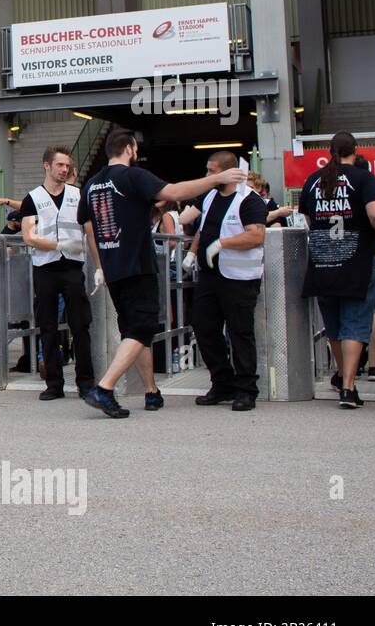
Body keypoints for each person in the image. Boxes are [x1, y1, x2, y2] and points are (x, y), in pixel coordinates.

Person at [79, 129, 246, 418]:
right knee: (142, 329)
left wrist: (100, 265)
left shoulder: (92, 184)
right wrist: (216, 179)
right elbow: (175, 192)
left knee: (134, 332)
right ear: (130, 148)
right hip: (136, 266)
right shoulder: (133, 176)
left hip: (113, 267)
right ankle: (104, 389)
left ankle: (151, 391)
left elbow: (88, 226)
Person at [298, 132, 375, 408]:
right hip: (356, 260)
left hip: (323, 261)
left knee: (334, 326)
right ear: (356, 151)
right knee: (356, 322)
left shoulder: (314, 180)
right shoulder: (362, 178)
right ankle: (348, 386)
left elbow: (309, 219)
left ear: (331, 151)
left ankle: (341, 376)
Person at [182, 151, 268, 411]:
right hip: (210, 276)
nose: (208, 175)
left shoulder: (249, 200)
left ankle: (245, 389)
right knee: (203, 326)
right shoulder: (209, 196)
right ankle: (222, 382)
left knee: (240, 332)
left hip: (239, 279)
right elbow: (202, 228)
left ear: (228, 172)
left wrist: (223, 243)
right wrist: (192, 252)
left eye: (212, 171)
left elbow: (256, 237)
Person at [21, 146, 94, 401]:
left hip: (73, 267)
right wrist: (58, 245)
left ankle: (86, 382)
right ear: (47, 166)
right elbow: (28, 237)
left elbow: (89, 230)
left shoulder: (78, 194)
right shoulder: (33, 198)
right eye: (60, 165)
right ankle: (54, 383)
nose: (65, 170)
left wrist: (100, 266)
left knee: (81, 325)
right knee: (47, 326)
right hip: (45, 268)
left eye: (67, 166)